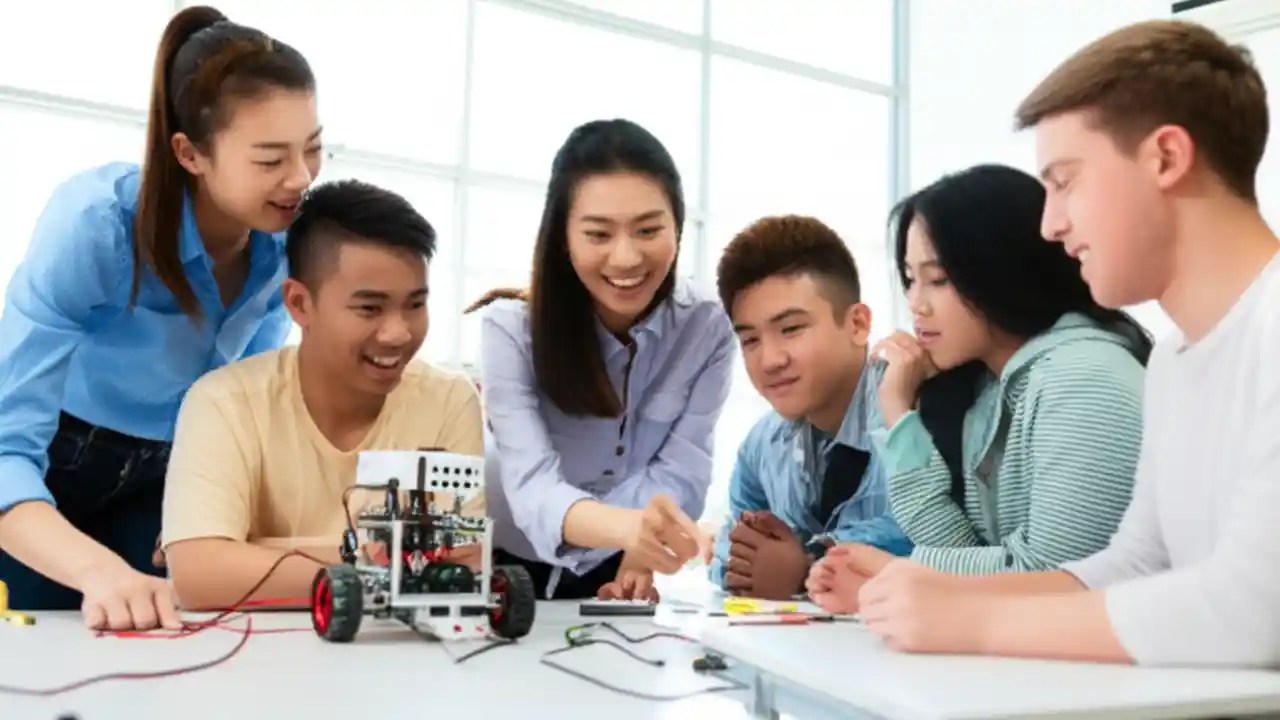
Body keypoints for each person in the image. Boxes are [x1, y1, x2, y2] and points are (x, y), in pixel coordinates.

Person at [836, 20, 1280, 669]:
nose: (1050, 223)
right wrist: (934, 588)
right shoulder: (1174, 363)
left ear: (1166, 158)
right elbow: (1132, 565)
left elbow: (1254, 610)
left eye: (1065, 181)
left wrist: (975, 619)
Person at [0, 5, 320, 629]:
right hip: (51, 467)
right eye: (270, 159)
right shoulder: (95, 224)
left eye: (313, 149)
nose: (300, 178)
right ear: (190, 153)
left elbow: (245, 404)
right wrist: (95, 570)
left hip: (167, 473)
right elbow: (5, 447)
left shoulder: (286, 244)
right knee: (52, 637)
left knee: (175, 634)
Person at [807, 164, 1151, 613]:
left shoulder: (1083, 378)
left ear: (1004, 267)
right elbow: (955, 544)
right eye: (910, 280)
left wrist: (896, 574)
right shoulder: (988, 388)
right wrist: (897, 413)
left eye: (939, 280)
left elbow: (1058, 579)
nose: (916, 304)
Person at [160, 179, 483, 610]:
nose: (398, 333)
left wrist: (259, 553)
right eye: (369, 308)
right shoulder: (222, 403)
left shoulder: (449, 401)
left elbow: (465, 565)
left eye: (415, 304)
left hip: (404, 664)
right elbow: (200, 576)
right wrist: (393, 559)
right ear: (299, 303)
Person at [467, 119, 735, 601]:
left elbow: (683, 466)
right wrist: (632, 529)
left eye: (649, 229)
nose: (627, 258)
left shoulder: (707, 327)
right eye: (598, 234)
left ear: (677, 223)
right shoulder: (509, 330)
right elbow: (531, 485)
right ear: (563, 237)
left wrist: (640, 545)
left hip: (619, 569)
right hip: (505, 567)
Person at [708, 215, 912, 600]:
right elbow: (727, 556)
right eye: (750, 340)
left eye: (791, 329)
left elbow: (940, 538)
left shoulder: (912, 406)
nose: (769, 359)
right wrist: (758, 563)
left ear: (858, 324)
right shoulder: (762, 445)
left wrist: (810, 561)